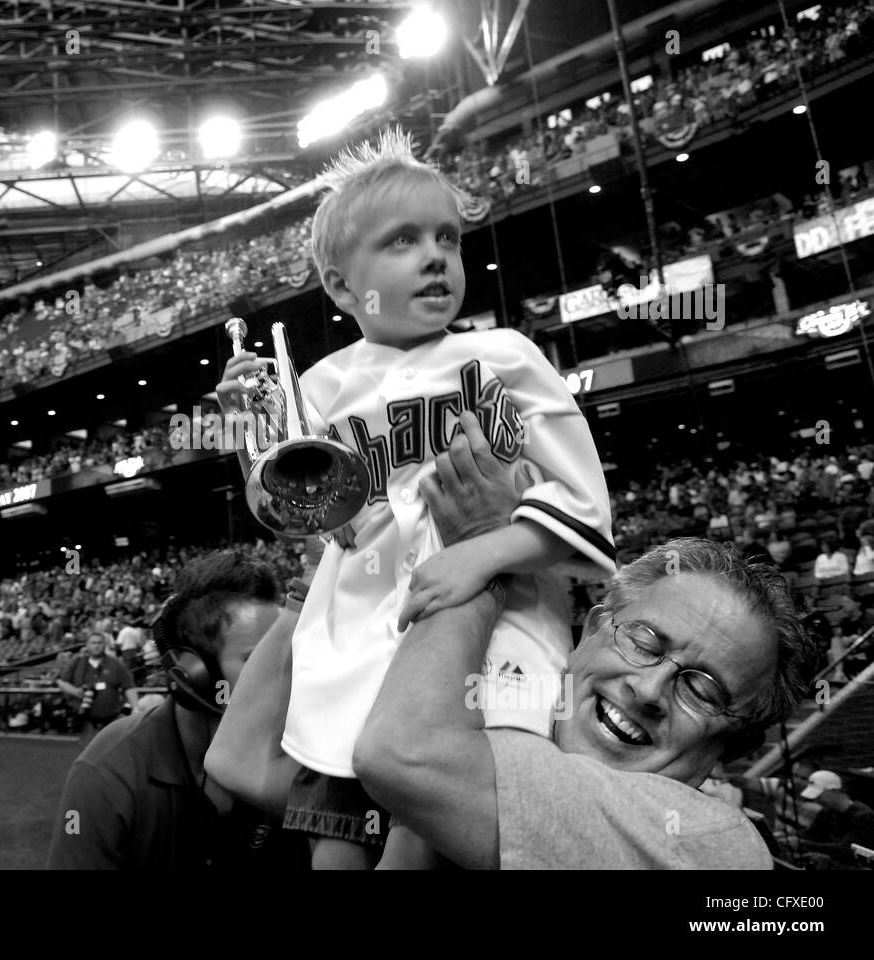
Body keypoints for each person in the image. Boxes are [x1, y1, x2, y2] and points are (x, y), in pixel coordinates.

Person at [215, 126, 615, 868]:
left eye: (447, 238)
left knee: (423, 840)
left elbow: (584, 506)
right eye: (402, 241)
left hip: (493, 625)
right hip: (354, 636)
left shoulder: (505, 358)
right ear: (341, 285)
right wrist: (254, 425)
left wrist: (486, 553)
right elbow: (297, 511)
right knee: (333, 849)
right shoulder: (320, 385)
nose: (435, 255)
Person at [212, 416, 823, 868]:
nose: (649, 688)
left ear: (733, 743)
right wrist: (332, 567)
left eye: (703, 688)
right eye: (644, 640)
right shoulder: (485, 720)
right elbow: (238, 761)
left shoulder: (713, 849)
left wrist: (479, 546)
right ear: (587, 632)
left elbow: (402, 754)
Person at [47, 551, 308, 869]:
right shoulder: (107, 771)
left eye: (288, 654)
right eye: (257, 658)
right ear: (196, 675)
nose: (288, 674)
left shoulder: (305, 753)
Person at [56, 632, 139, 743]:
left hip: (111, 720)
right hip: (86, 722)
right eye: (93, 643)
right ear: (87, 645)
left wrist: (136, 707)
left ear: (104, 645)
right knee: (88, 754)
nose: (96, 646)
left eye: (99, 643)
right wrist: (76, 692)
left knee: (112, 751)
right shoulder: (77, 663)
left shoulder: (115, 664)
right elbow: (62, 682)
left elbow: (129, 686)